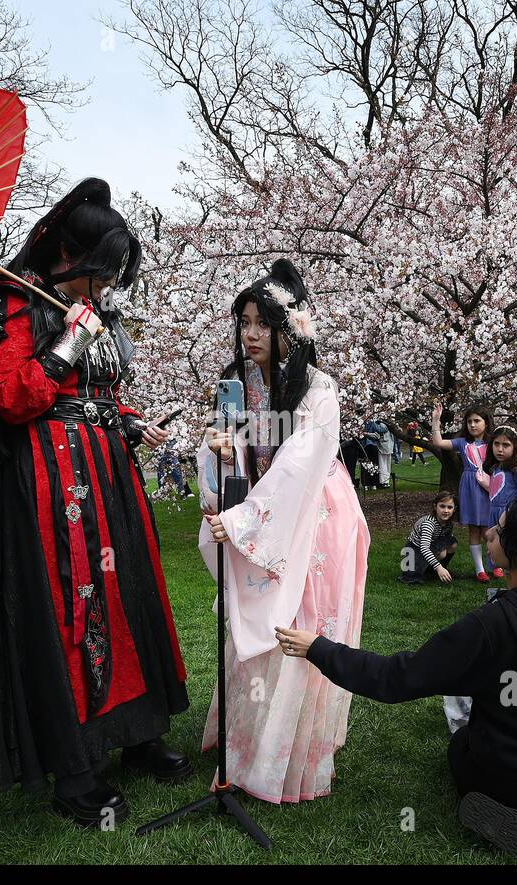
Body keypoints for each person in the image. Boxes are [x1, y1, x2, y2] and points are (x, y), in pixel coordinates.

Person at [0, 178, 190, 828]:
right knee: (76, 610)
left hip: (109, 474)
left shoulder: (89, 308)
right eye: (97, 274)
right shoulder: (8, 304)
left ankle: (136, 731)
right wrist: (68, 342)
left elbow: (98, 392)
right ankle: (75, 768)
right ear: (67, 255)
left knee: (128, 597)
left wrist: (130, 420)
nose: (104, 288)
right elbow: (11, 399)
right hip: (55, 486)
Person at [275, 488, 517, 862]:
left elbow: (397, 678)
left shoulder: (495, 623)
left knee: (461, 745)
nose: (487, 533)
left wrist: (319, 648)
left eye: (498, 531)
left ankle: (507, 813)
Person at [197, 258, 370, 804]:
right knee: (255, 630)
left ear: (288, 328)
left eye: (262, 323)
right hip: (263, 506)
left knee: (300, 626)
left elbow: (301, 461)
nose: (250, 334)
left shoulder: (320, 389)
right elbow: (228, 445)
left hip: (315, 517)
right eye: (244, 322)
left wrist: (244, 519)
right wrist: (217, 448)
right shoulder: (236, 383)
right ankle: (246, 747)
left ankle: (291, 757)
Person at [426, 402, 496, 581]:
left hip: (488, 486)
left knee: (489, 528)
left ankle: (494, 563)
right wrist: (436, 421)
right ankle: (480, 570)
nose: (472, 425)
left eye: (477, 421)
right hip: (470, 488)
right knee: (474, 529)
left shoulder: (494, 442)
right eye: (469, 421)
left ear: (486, 423)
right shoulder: (462, 443)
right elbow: (439, 442)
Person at [399, 490, 458, 585]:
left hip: (430, 547)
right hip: (413, 551)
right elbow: (424, 548)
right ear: (435, 507)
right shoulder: (429, 523)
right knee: (412, 578)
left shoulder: (448, 524)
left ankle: (437, 570)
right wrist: (438, 567)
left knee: (452, 542)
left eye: (449, 507)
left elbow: (445, 541)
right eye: (442, 506)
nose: (446, 511)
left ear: (454, 509)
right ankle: (436, 569)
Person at [484, 425, 517, 528]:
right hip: (494, 512)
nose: (500, 449)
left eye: (506, 445)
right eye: (496, 444)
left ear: (515, 447)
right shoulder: (495, 468)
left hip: (510, 517)